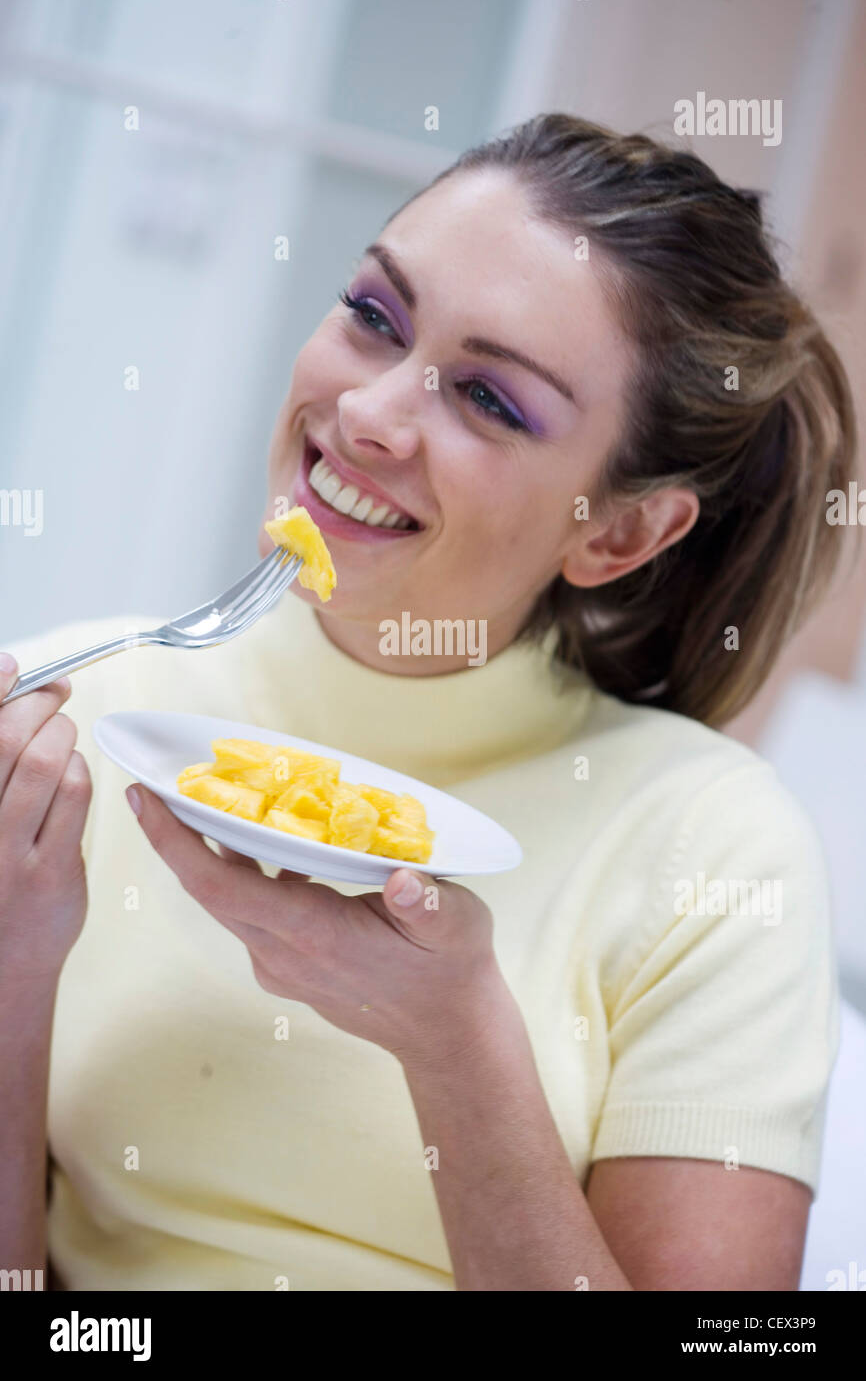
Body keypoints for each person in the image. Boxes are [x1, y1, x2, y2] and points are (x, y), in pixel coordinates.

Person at [0, 114, 856, 1292]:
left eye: (492, 403)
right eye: (373, 317)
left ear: (614, 532)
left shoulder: (708, 843)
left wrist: (453, 1043)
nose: (368, 413)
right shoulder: (63, 719)